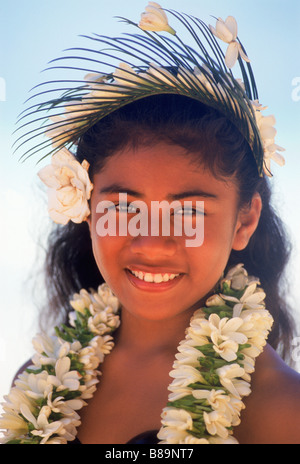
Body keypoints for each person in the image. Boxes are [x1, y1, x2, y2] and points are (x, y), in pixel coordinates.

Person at [0, 3, 299, 445]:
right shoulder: (37, 387)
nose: (153, 242)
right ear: (85, 205)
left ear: (244, 219)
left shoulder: (281, 409)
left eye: (189, 212)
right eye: (123, 208)